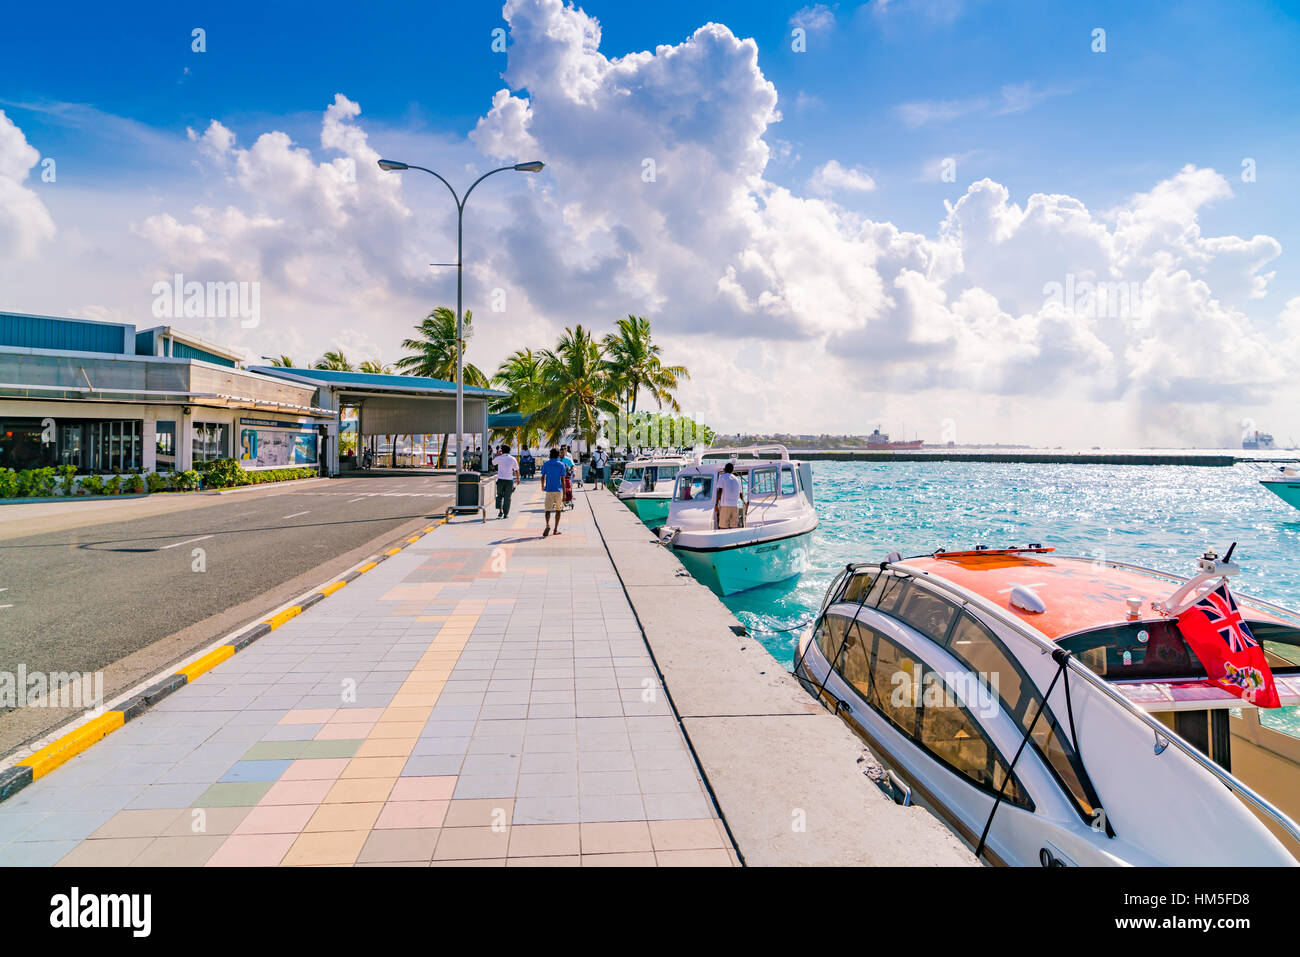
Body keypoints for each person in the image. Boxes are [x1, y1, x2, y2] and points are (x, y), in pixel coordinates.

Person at [540, 448, 567, 537]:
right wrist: (565, 493)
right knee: (558, 510)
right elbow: (563, 480)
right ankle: (555, 529)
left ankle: (547, 524)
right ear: (558, 455)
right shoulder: (561, 465)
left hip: (549, 490)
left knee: (548, 510)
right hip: (558, 490)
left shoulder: (546, 464)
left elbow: (543, 476)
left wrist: (542, 486)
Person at [492, 444, 519, 519]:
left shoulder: (499, 458)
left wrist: (497, 455)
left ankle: (500, 511)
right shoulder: (512, 458)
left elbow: (493, 463)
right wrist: (518, 478)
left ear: (502, 450)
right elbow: (516, 470)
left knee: (499, 496)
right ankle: (506, 514)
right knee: (507, 498)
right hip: (509, 480)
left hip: (500, 480)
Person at [714, 461, 744, 529]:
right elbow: (741, 494)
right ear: (732, 470)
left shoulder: (722, 477)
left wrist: (716, 504)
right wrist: (744, 503)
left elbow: (720, 491)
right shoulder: (737, 479)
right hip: (735, 506)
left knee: (723, 527)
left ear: (725, 469)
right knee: (734, 528)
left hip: (725, 505)